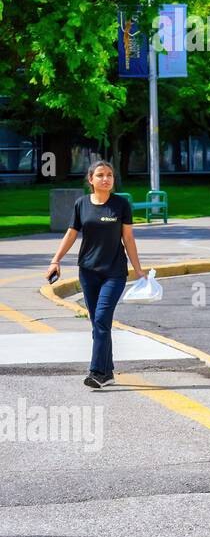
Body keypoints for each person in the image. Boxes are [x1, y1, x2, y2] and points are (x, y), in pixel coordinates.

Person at [45, 161, 145, 388]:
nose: (106, 179)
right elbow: (71, 234)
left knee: (101, 320)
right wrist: (55, 260)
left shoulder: (121, 204)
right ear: (91, 180)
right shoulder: (82, 204)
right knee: (98, 323)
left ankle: (97, 372)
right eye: (100, 175)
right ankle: (108, 371)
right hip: (88, 272)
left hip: (114, 273)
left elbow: (128, 239)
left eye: (109, 175)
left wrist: (138, 270)